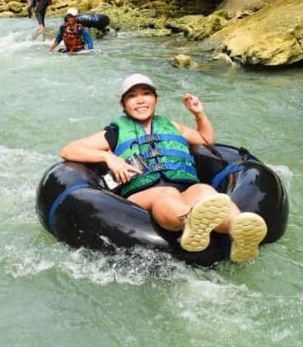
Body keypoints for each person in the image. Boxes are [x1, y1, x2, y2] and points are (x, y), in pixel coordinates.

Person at [60, 74, 268, 262]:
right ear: (123, 104)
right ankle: (189, 221)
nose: (140, 100)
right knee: (165, 194)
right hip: (142, 196)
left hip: (184, 189)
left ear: (156, 99)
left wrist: (198, 114)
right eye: (132, 96)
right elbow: (69, 150)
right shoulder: (114, 132)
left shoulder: (173, 126)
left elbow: (206, 140)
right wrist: (108, 157)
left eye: (146, 94)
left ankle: (240, 230)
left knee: (205, 191)